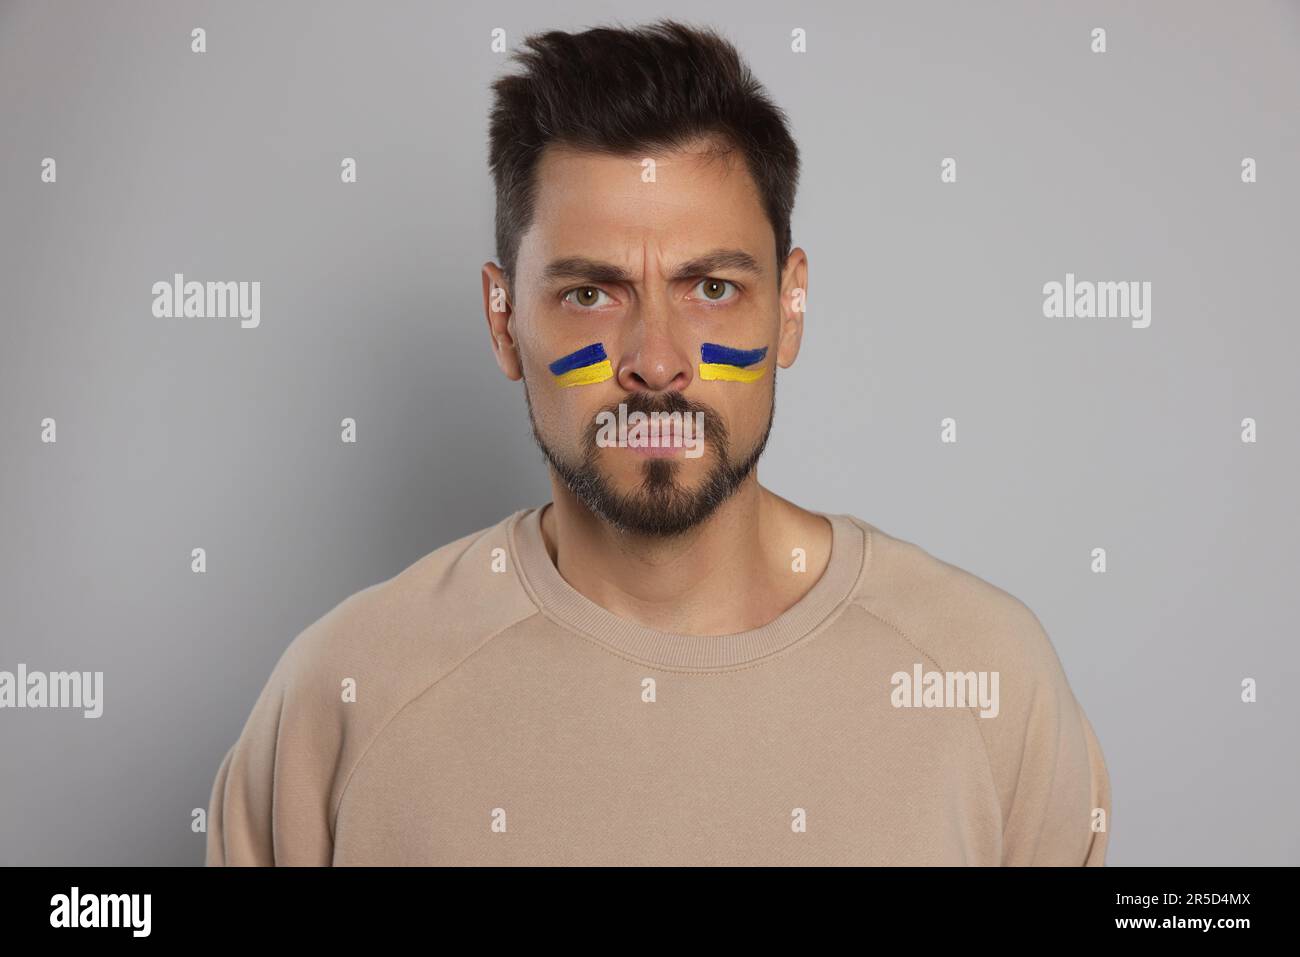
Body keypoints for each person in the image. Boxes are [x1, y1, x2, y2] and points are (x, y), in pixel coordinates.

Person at [206, 18, 1110, 866]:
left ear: (790, 305)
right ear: (502, 319)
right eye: (590, 293)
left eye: (711, 287)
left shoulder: (986, 678)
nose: (657, 361)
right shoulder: (344, 695)